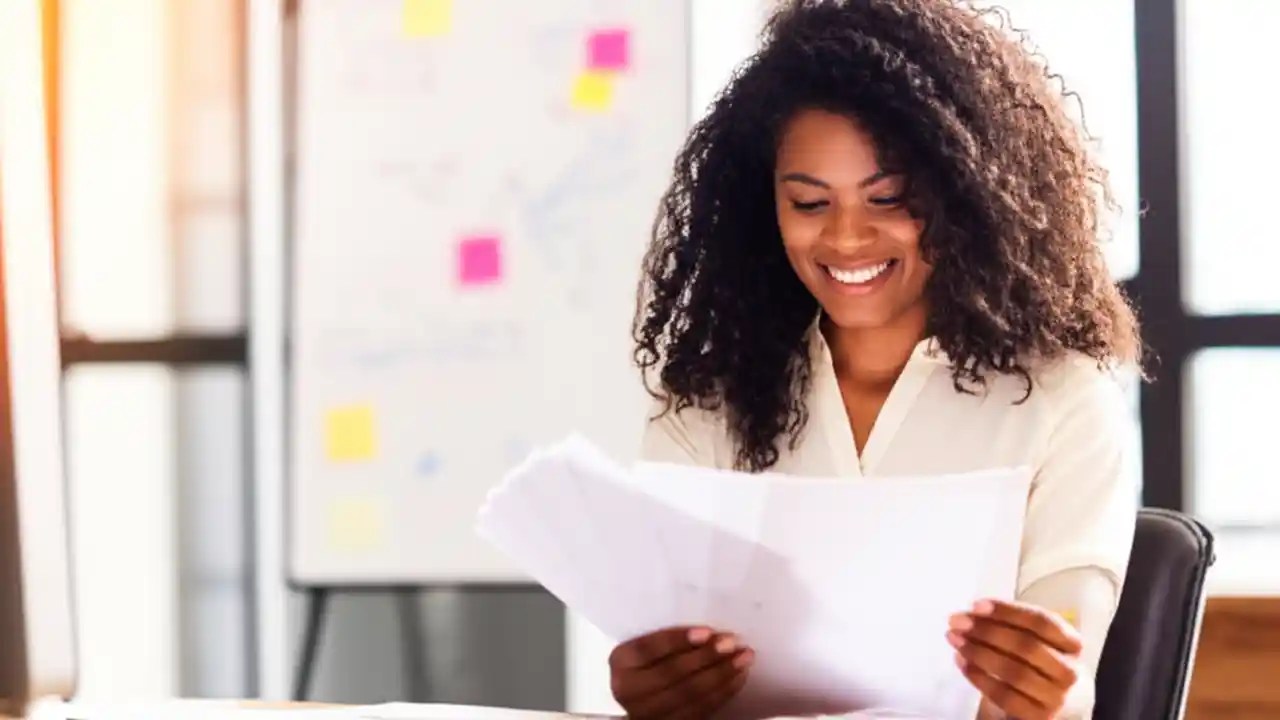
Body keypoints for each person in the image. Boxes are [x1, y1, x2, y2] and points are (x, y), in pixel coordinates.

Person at [612, 1, 1141, 718]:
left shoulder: (1063, 402)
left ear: (964, 194)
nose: (847, 237)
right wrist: (655, 685)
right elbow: (664, 655)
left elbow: (1069, 686)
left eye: (888, 197)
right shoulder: (708, 406)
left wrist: (1042, 689)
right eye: (808, 203)